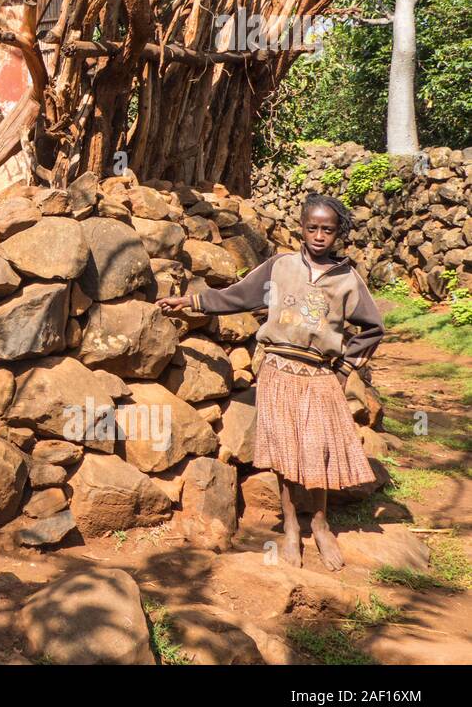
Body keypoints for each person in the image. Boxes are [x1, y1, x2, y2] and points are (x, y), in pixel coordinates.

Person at [156, 193, 385, 571]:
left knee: (318, 451)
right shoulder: (280, 267)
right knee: (284, 452)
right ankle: (291, 526)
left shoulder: (347, 278)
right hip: (279, 369)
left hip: (319, 374)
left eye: (327, 230)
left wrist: (344, 369)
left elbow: (372, 329)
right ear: (301, 227)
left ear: (338, 233)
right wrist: (191, 303)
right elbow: (238, 296)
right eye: (312, 228)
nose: (318, 236)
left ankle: (321, 523)